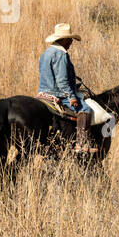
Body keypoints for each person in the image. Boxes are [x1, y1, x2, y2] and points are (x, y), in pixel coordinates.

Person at [37, 22, 95, 154]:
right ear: (62, 40)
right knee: (85, 109)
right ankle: (81, 143)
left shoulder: (46, 53)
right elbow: (62, 80)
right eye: (69, 39)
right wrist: (72, 96)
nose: (71, 42)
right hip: (58, 94)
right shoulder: (61, 55)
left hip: (43, 93)